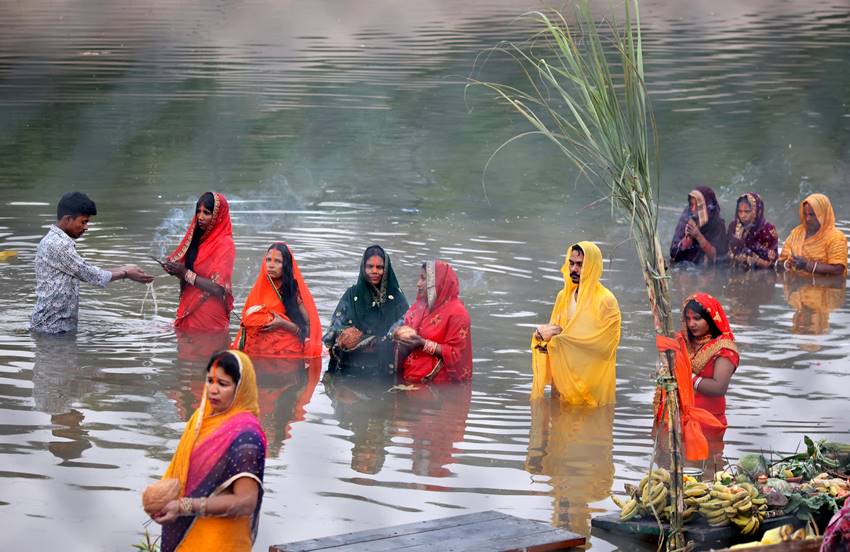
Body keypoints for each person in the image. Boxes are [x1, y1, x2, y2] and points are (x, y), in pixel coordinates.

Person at [147, 350, 266, 552]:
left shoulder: (247, 436)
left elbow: (246, 502)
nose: (213, 390)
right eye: (210, 380)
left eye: (223, 384)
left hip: (220, 542)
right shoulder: (201, 422)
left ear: (241, 389)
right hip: (187, 537)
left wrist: (184, 506)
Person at [30, 192, 153, 334]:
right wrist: (126, 273)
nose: (86, 227)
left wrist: (124, 268)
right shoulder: (58, 245)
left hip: (55, 327)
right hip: (51, 329)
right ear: (68, 219)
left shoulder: (56, 241)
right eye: (83, 222)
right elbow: (91, 275)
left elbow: (85, 269)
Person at [531, 241, 621, 406]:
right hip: (563, 382)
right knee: (558, 427)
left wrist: (562, 338)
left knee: (590, 430)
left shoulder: (606, 301)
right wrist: (543, 338)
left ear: (593, 266)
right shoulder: (563, 297)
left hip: (591, 388)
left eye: (580, 265)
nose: (573, 269)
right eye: (571, 263)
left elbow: (606, 348)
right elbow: (555, 338)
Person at [323, 245, 409, 375]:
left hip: (384, 370)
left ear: (386, 269)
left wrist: (366, 340)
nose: (374, 271)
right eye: (370, 266)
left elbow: (405, 332)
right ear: (363, 268)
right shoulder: (351, 295)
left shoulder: (397, 298)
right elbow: (332, 331)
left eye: (379, 267)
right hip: (350, 366)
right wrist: (345, 334)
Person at [232, 242, 322, 358]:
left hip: (287, 357)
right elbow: (244, 327)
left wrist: (283, 324)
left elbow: (310, 331)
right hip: (256, 354)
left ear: (287, 265)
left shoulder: (294, 293)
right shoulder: (258, 289)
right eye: (268, 260)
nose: (271, 265)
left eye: (278, 261)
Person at [162, 192, 235, 332]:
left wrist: (184, 273)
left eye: (206, 213)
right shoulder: (198, 240)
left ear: (218, 216)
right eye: (198, 212)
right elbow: (193, 274)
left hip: (209, 320)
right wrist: (176, 270)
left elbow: (219, 289)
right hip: (188, 310)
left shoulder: (225, 244)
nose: (200, 217)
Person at [394, 260, 472, 384]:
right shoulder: (421, 306)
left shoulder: (458, 314)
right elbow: (405, 328)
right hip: (408, 378)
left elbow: (457, 355)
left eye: (423, 279)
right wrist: (398, 335)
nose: (418, 284)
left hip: (438, 386)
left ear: (437, 283)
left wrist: (423, 344)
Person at [778, 192, 847, 276]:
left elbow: (838, 270)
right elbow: (781, 261)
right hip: (796, 286)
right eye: (805, 214)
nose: (808, 219)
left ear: (823, 215)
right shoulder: (797, 233)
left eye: (812, 214)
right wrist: (787, 264)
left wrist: (806, 265)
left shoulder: (836, 237)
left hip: (825, 287)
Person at [670, 186, 728, 265]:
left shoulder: (717, 224)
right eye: (691, 205)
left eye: (697, 206)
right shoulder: (687, 217)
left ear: (706, 207)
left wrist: (698, 236)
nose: (693, 209)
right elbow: (673, 254)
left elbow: (718, 257)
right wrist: (688, 238)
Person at [727, 192, 779, 269]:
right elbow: (726, 251)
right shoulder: (733, 226)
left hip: (761, 274)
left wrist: (753, 258)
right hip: (735, 271)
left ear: (756, 211)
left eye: (747, 211)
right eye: (739, 211)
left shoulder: (768, 230)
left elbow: (772, 263)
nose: (742, 215)